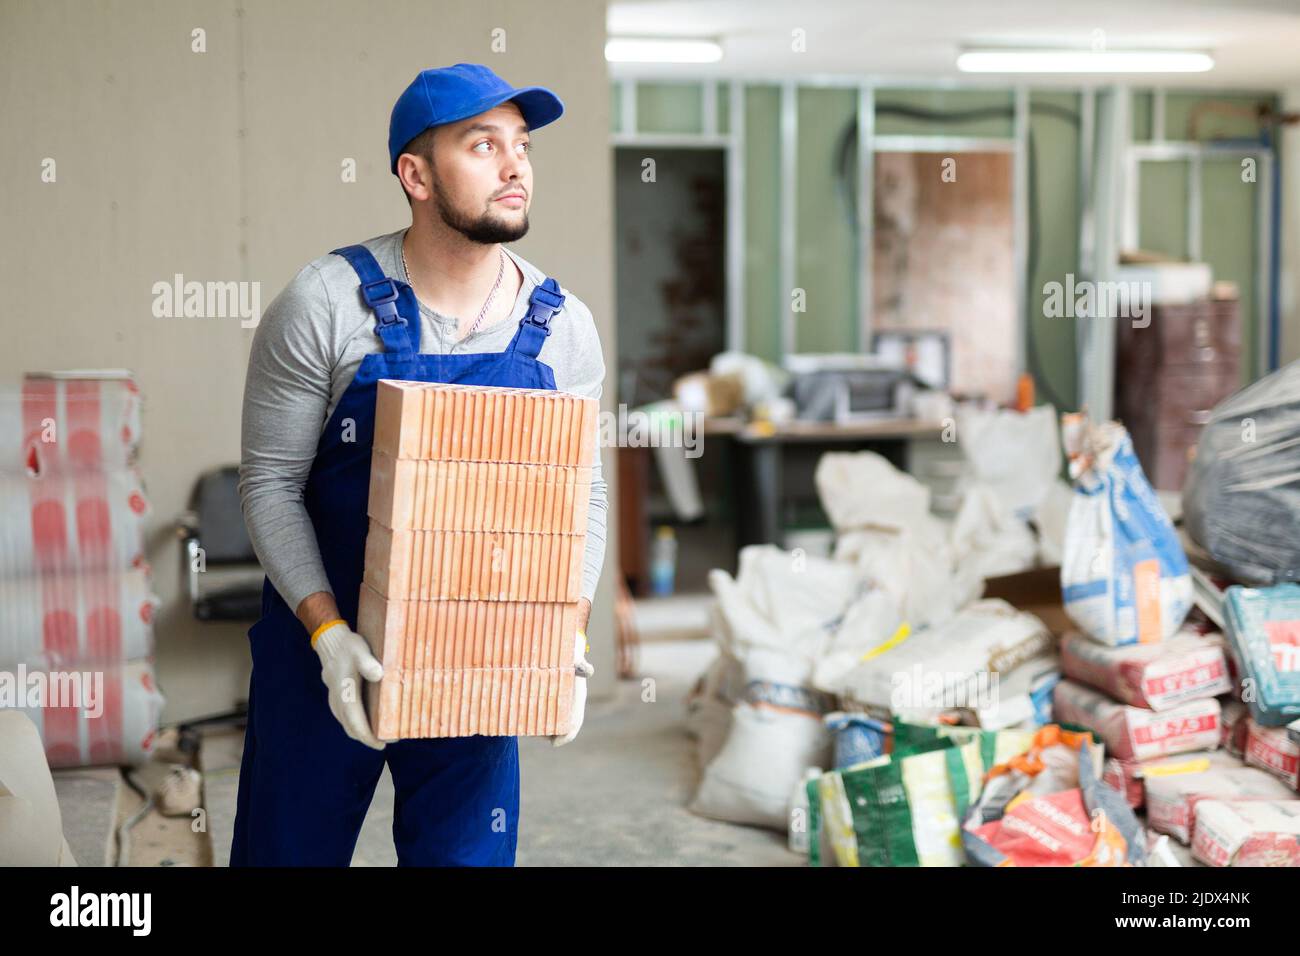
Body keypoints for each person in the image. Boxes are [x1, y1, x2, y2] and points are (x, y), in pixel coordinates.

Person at [229, 63, 607, 866]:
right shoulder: (327, 303)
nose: (515, 168)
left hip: (475, 660)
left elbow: (586, 493)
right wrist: (329, 638)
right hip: (320, 658)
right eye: (482, 145)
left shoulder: (562, 326)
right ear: (417, 175)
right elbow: (268, 484)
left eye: (523, 146)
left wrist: (566, 632)